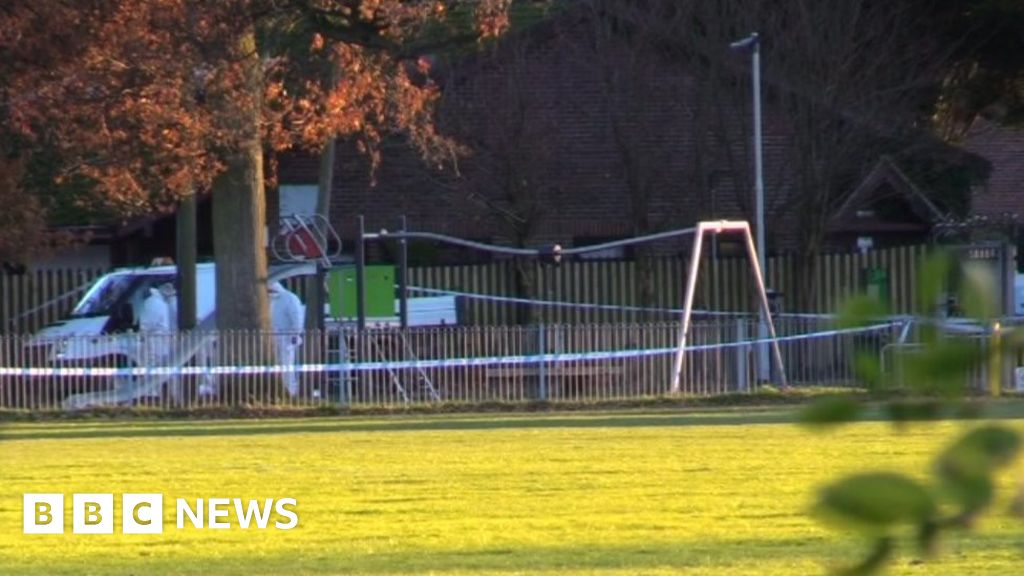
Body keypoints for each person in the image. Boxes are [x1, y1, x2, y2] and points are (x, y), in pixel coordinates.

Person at [269, 281, 304, 396]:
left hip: (285, 339)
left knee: (286, 366)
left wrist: (294, 335)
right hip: (270, 339)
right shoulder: (268, 300)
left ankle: (289, 392)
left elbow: (297, 318)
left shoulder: (289, 298)